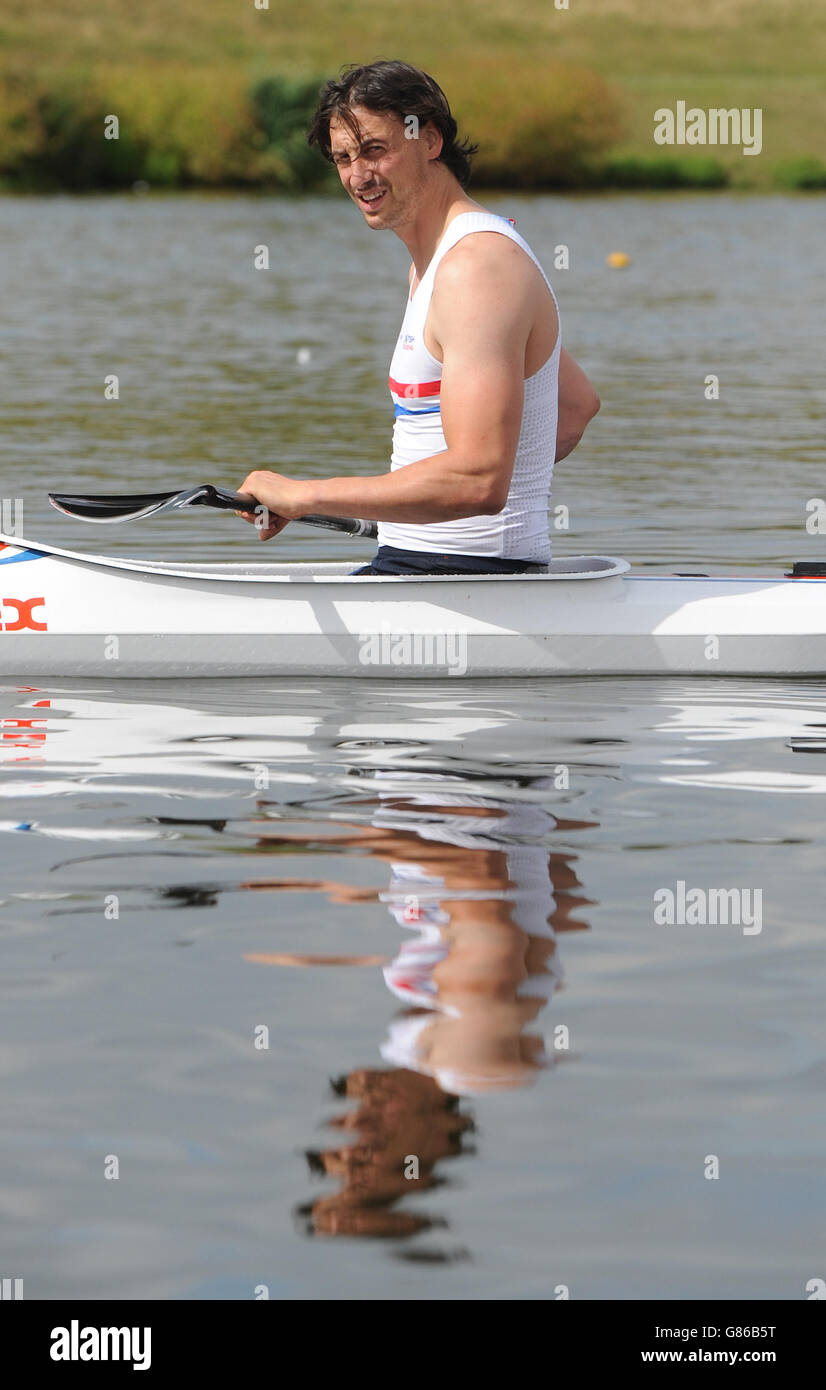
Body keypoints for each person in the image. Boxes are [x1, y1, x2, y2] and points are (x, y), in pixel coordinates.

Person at [237, 60, 600, 575]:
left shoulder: (475, 269)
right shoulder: (441, 262)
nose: (357, 176)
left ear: (429, 140)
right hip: (433, 566)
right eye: (342, 158)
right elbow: (575, 404)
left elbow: (476, 482)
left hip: (465, 580)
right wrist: (407, 511)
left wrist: (306, 496)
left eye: (374, 150)